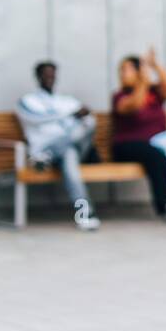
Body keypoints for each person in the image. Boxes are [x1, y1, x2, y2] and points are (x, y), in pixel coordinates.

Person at [110, 49, 166, 222]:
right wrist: (143, 82)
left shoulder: (154, 93)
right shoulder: (119, 96)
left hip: (157, 142)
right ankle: (165, 206)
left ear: (138, 72)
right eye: (121, 70)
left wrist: (153, 65)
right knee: (156, 156)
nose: (122, 74)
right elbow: (134, 105)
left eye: (127, 69)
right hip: (127, 145)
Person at [16, 61, 100, 231]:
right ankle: (85, 215)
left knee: (81, 132)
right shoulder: (28, 101)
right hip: (51, 148)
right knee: (72, 171)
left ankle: (44, 156)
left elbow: (90, 122)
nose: (50, 78)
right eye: (46, 74)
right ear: (38, 76)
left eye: (52, 74)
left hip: (61, 151)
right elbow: (35, 117)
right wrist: (71, 116)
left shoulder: (67, 100)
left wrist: (78, 117)